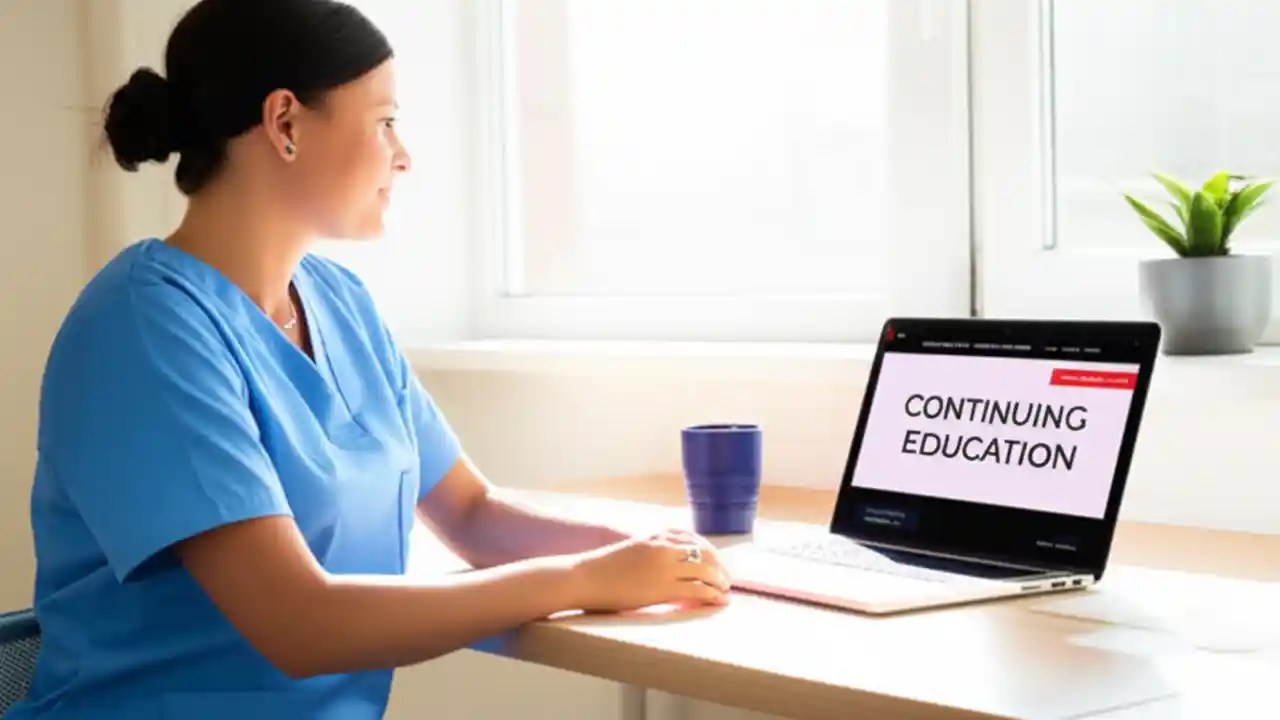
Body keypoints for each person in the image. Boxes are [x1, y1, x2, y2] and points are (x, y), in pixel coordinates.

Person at [6, 1, 730, 717]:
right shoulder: (145, 327)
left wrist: (658, 552)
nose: (404, 155)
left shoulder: (338, 302)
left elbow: (473, 516)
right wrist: (581, 578)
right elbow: (298, 623)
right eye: (384, 121)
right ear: (284, 124)